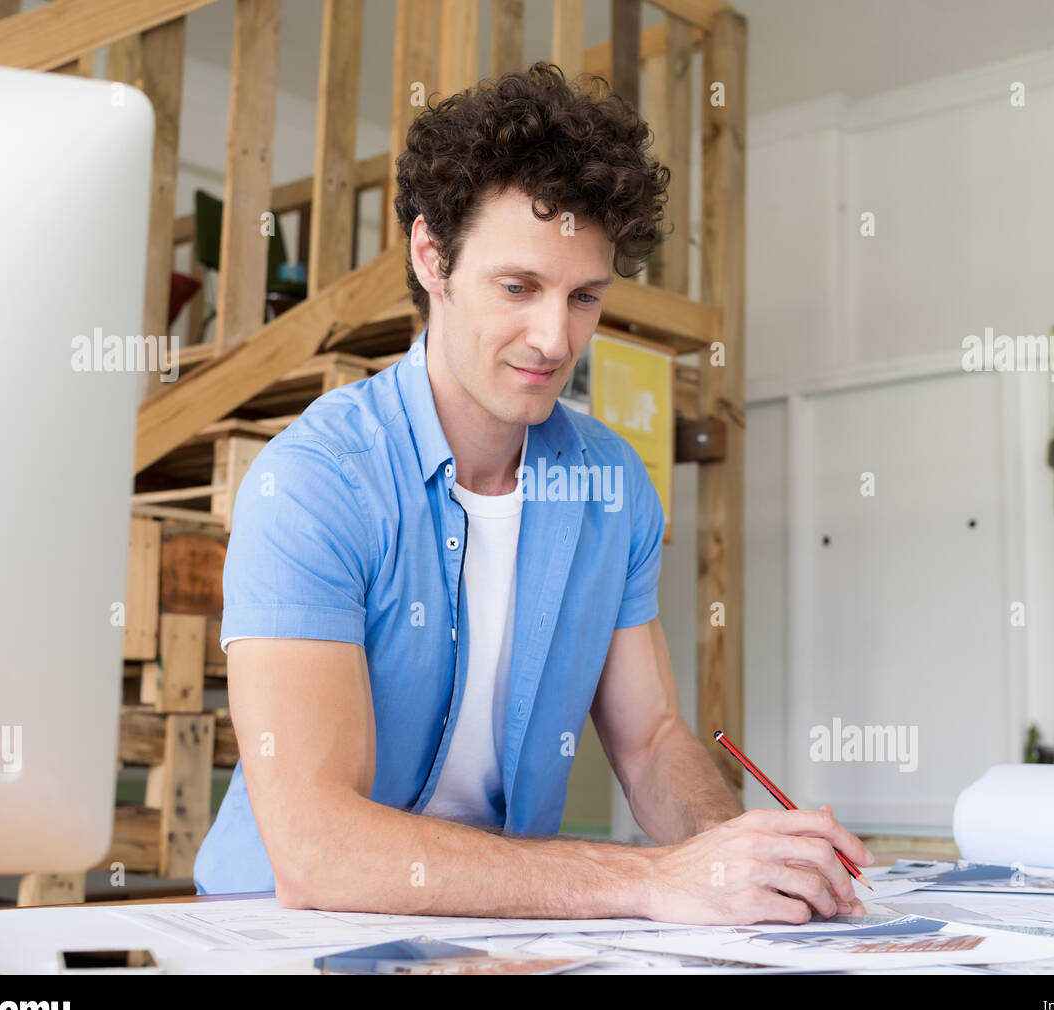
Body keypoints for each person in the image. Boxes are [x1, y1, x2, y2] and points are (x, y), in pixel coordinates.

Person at [193, 62, 871, 923]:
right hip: (282, 932)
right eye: (519, 288)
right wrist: (656, 881)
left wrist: (747, 859)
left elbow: (654, 738)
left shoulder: (612, 487)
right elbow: (320, 849)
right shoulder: (314, 484)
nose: (555, 338)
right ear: (431, 255)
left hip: (500, 926)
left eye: (584, 297)